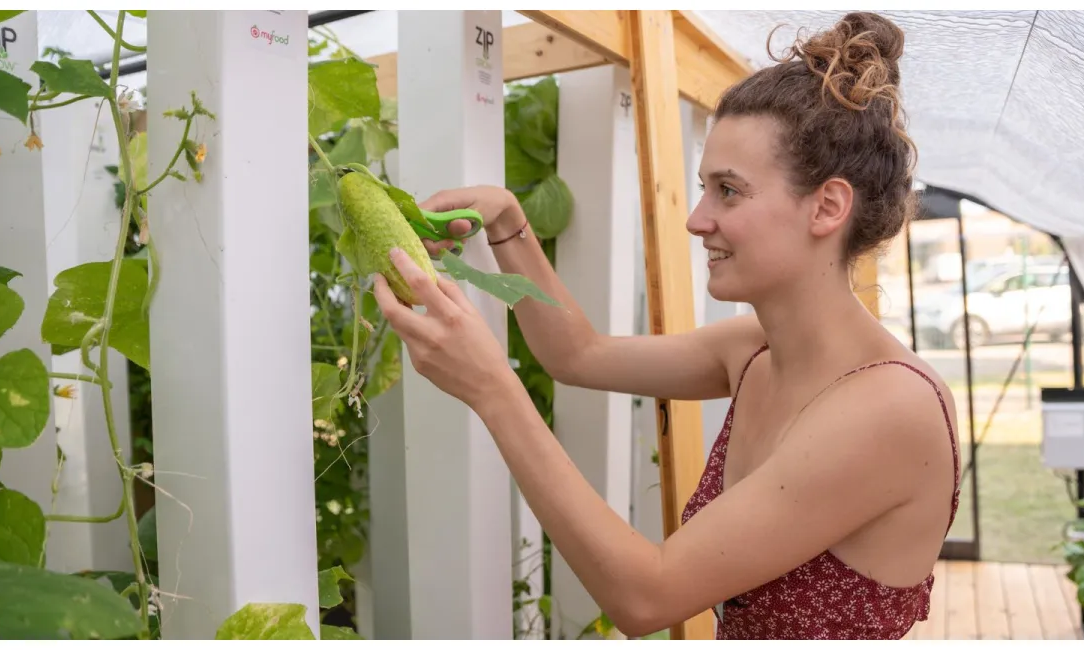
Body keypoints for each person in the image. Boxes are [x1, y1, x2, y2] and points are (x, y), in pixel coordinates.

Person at [371, 11, 961, 641]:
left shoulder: (889, 408)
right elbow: (578, 355)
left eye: (728, 191)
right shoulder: (756, 350)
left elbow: (647, 597)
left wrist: (493, 390)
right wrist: (508, 223)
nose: (696, 219)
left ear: (828, 207)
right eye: (704, 189)